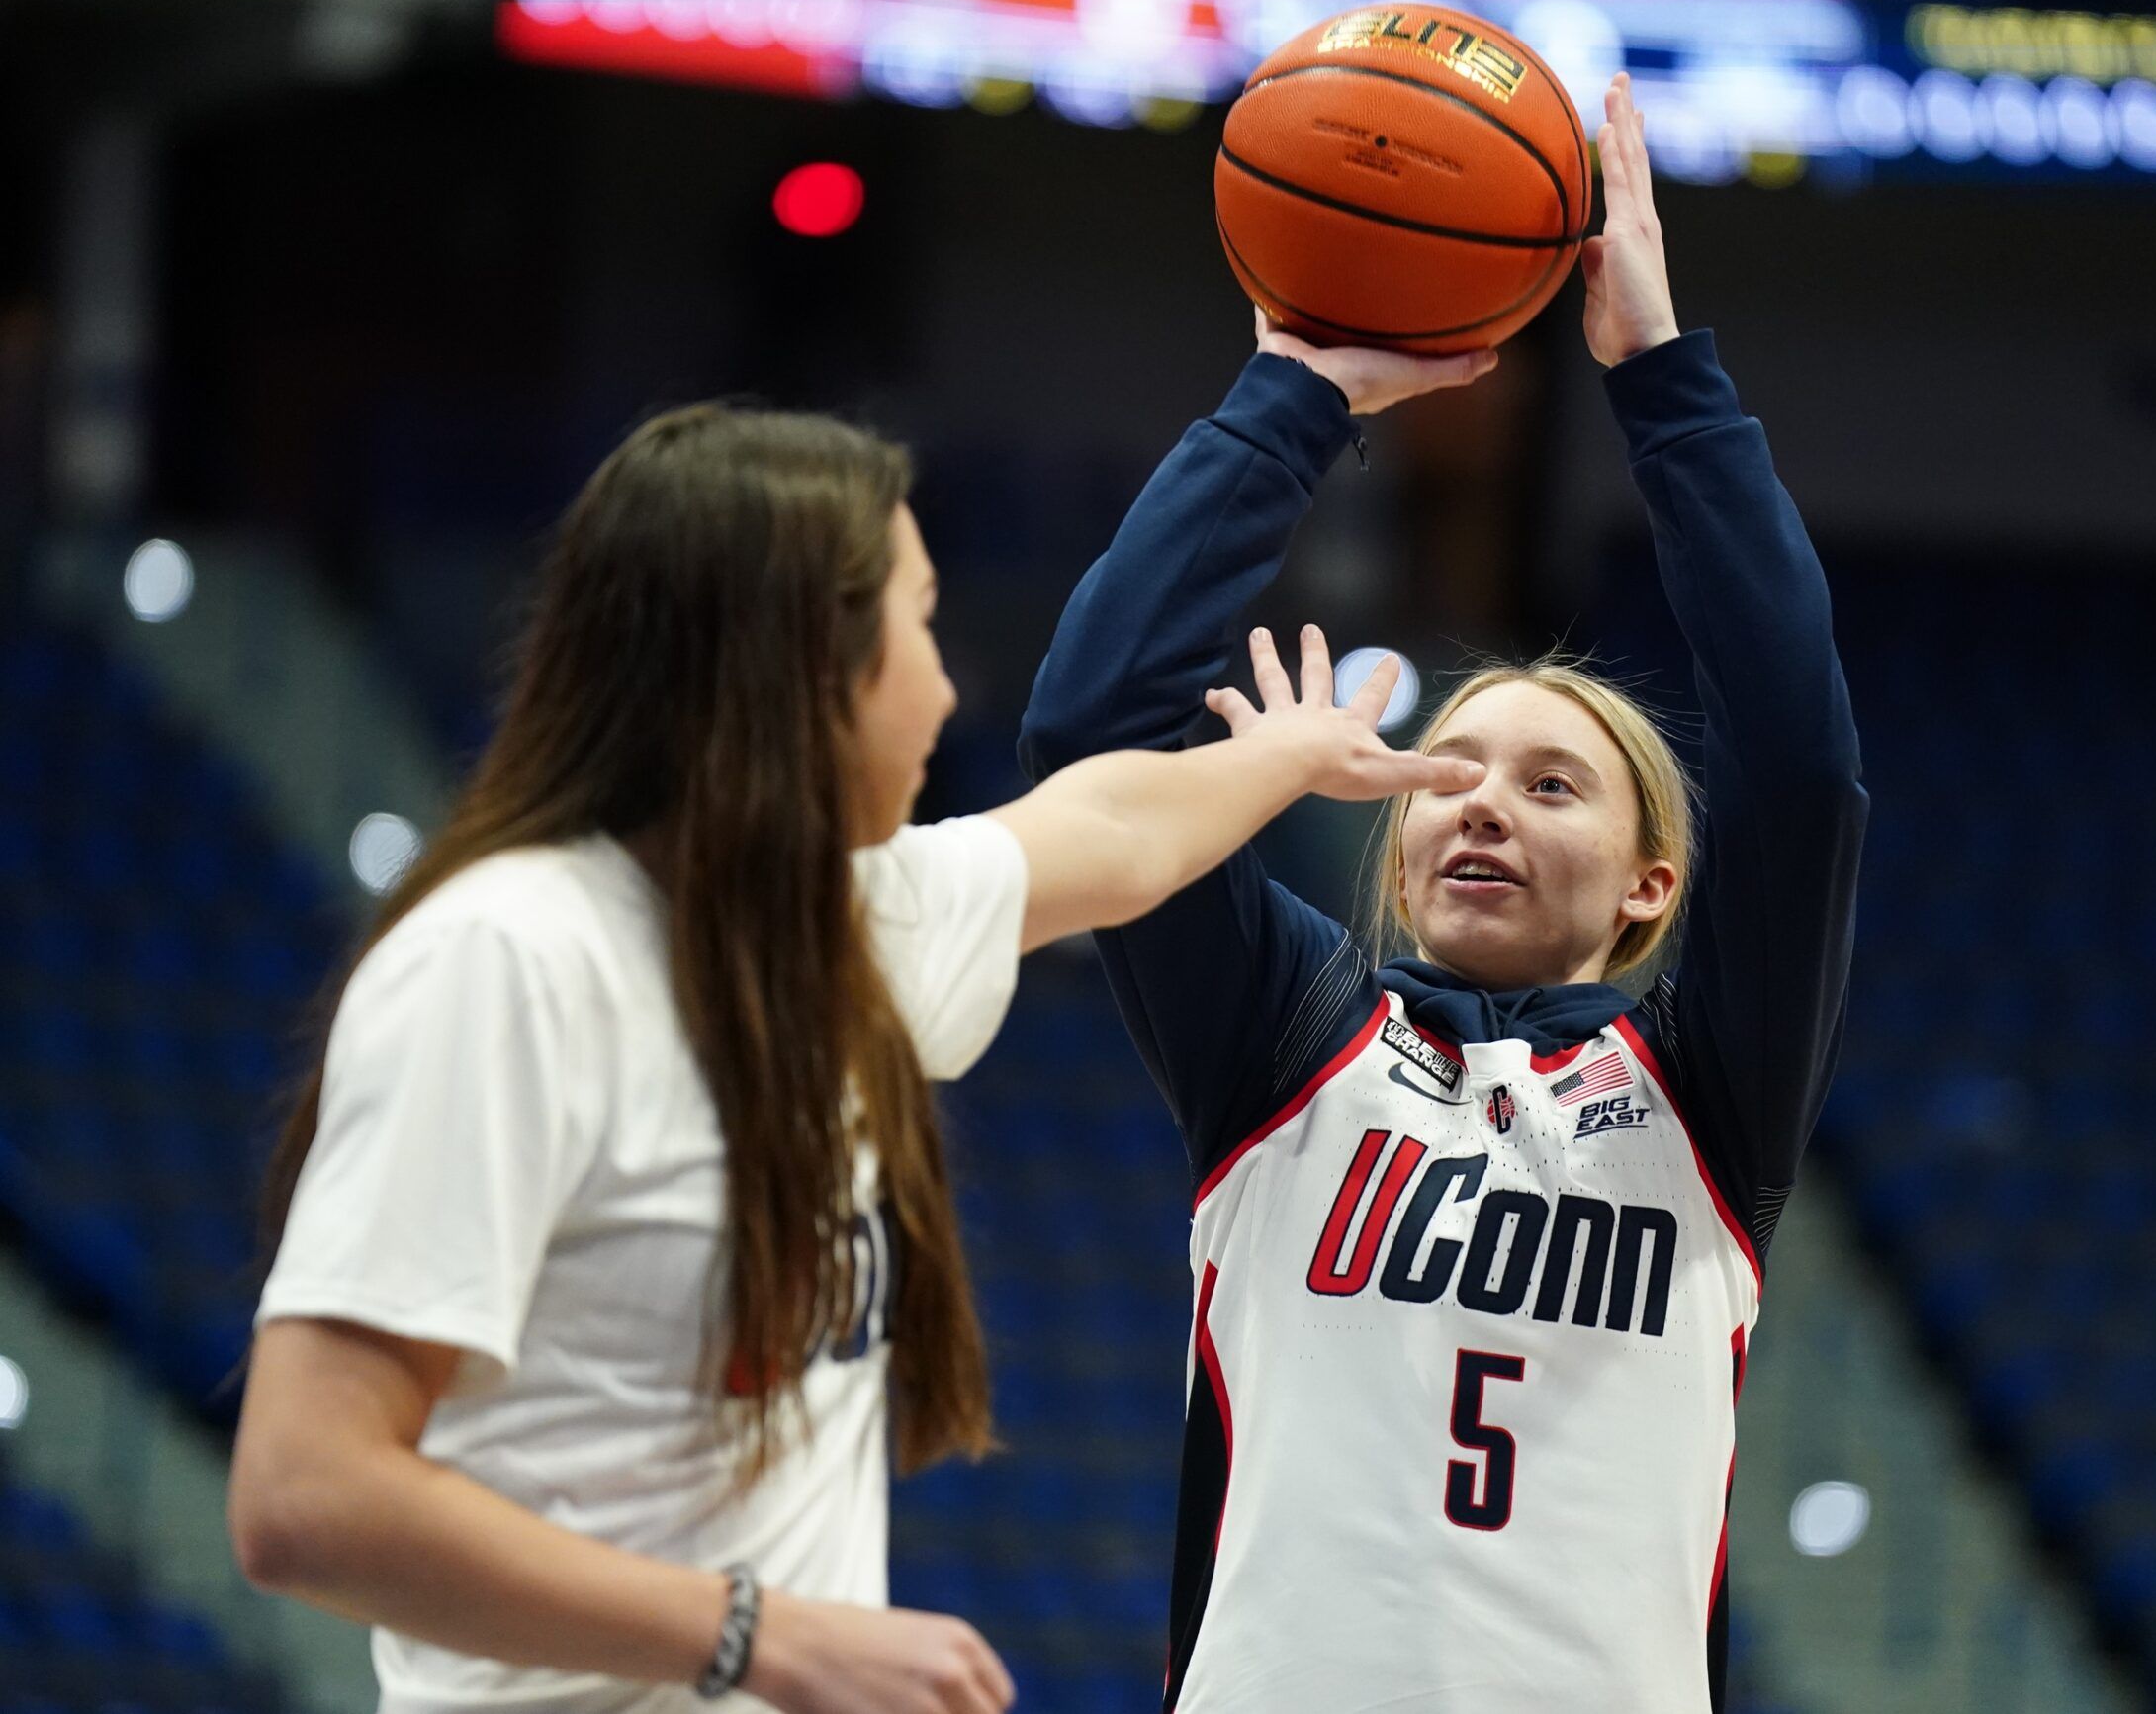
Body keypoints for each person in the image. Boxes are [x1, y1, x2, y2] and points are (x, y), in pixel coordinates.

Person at [226, 404, 1482, 1714]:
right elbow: (307, 1495)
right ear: (807, 664)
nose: (946, 685)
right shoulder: (508, 958)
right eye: (919, 623)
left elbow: (1114, 829)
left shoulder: (835, 921)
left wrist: (1287, 719)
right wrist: (753, 1633)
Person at [1018, 74, 1868, 1711]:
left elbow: (1800, 767)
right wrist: (1292, 395)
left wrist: (1663, 380)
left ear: (1653, 884)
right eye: (1450, 768)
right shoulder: (1285, 1029)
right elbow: (1090, 735)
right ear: (1397, 839)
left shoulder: (1708, 1094)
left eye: (1552, 785)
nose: (1481, 799)